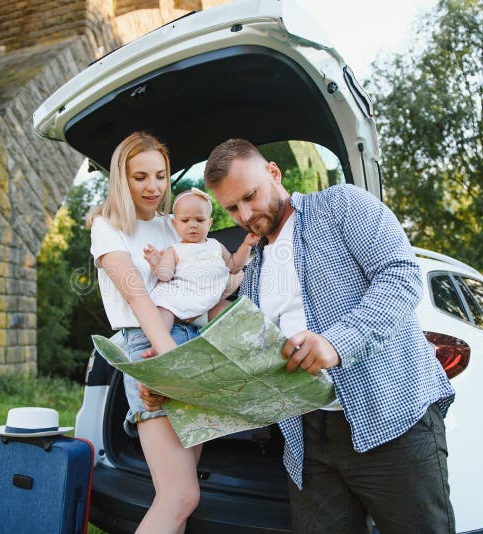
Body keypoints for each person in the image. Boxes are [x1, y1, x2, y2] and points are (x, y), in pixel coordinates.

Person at [200, 138, 457, 534]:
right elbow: (249, 362)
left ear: (273, 171)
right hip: (309, 441)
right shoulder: (253, 269)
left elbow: (401, 276)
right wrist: (172, 390)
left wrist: (337, 342)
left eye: (250, 196)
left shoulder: (341, 205)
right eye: (232, 208)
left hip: (392, 422)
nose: (246, 214)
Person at [87, 131, 202, 533]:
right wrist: (168, 353)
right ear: (122, 178)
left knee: (182, 497)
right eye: (140, 177)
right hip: (150, 345)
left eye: (160, 175)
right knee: (179, 495)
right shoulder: (107, 226)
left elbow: (196, 280)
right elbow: (137, 297)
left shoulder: (171, 227)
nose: (153, 187)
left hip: (190, 341)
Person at [144, 187, 257, 332]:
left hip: (209, 303)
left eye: (199, 220)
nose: (193, 225)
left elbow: (234, 266)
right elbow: (165, 275)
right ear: (175, 223)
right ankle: (159, 342)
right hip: (180, 301)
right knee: (163, 309)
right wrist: (156, 264)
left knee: (235, 312)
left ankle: (251, 334)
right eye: (185, 220)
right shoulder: (174, 250)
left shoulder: (215, 245)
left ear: (209, 223)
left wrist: (246, 245)